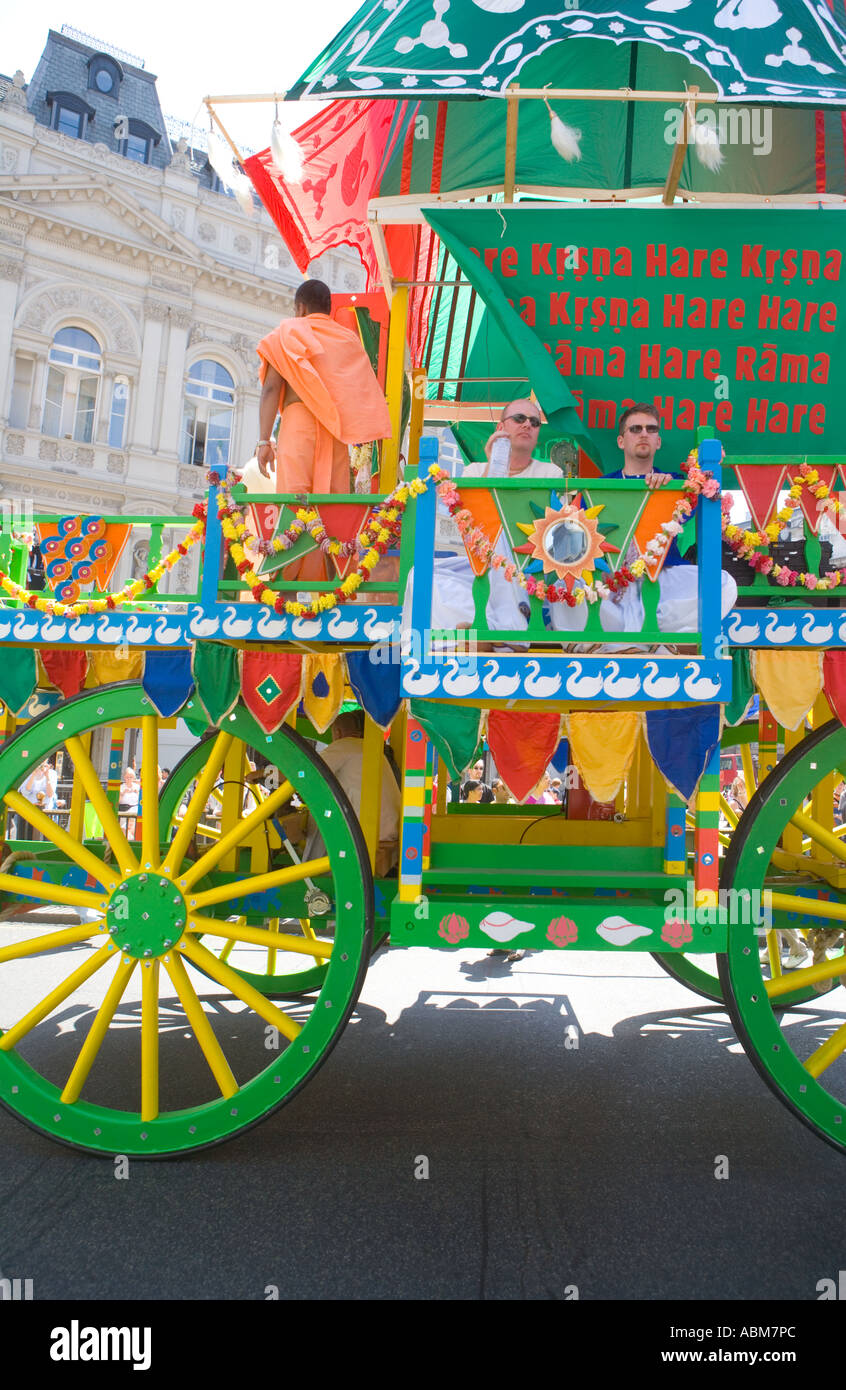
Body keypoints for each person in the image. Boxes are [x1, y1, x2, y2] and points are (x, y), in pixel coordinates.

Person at [550, 403, 737, 640]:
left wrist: (667, 489)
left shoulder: (676, 484)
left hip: (664, 575)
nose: (644, 434)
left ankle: (648, 631)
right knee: (563, 583)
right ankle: (646, 636)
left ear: (658, 441)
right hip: (613, 579)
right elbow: (575, 540)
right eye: (635, 429)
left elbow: (691, 508)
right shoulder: (598, 487)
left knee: (723, 584)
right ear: (621, 441)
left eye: (651, 429)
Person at [255, 279, 392, 582]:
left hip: (299, 424)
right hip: (335, 431)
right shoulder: (346, 340)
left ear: (300, 307)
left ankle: (287, 592)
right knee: (333, 507)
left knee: (294, 502)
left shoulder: (287, 333)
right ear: (330, 310)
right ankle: (333, 590)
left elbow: (270, 389)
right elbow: (363, 394)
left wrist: (264, 441)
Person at [404, 399, 562, 636]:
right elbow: (473, 526)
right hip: (478, 561)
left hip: (527, 563)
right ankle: (469, 633)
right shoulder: (475, 471)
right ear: (500, 428)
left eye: (535, 422)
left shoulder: (550, 472)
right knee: (419, 575)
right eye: (519, 419)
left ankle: (504, 633)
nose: (527, 425)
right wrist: (494, 463)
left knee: (501, 542)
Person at [305, 709, 401, 871]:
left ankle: (313, 876)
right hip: (391, 828)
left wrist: (265, 773)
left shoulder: (344, 745)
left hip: (370, 833)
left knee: (317, 825)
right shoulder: (374, 750)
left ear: (337, 732)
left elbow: (306, 773)